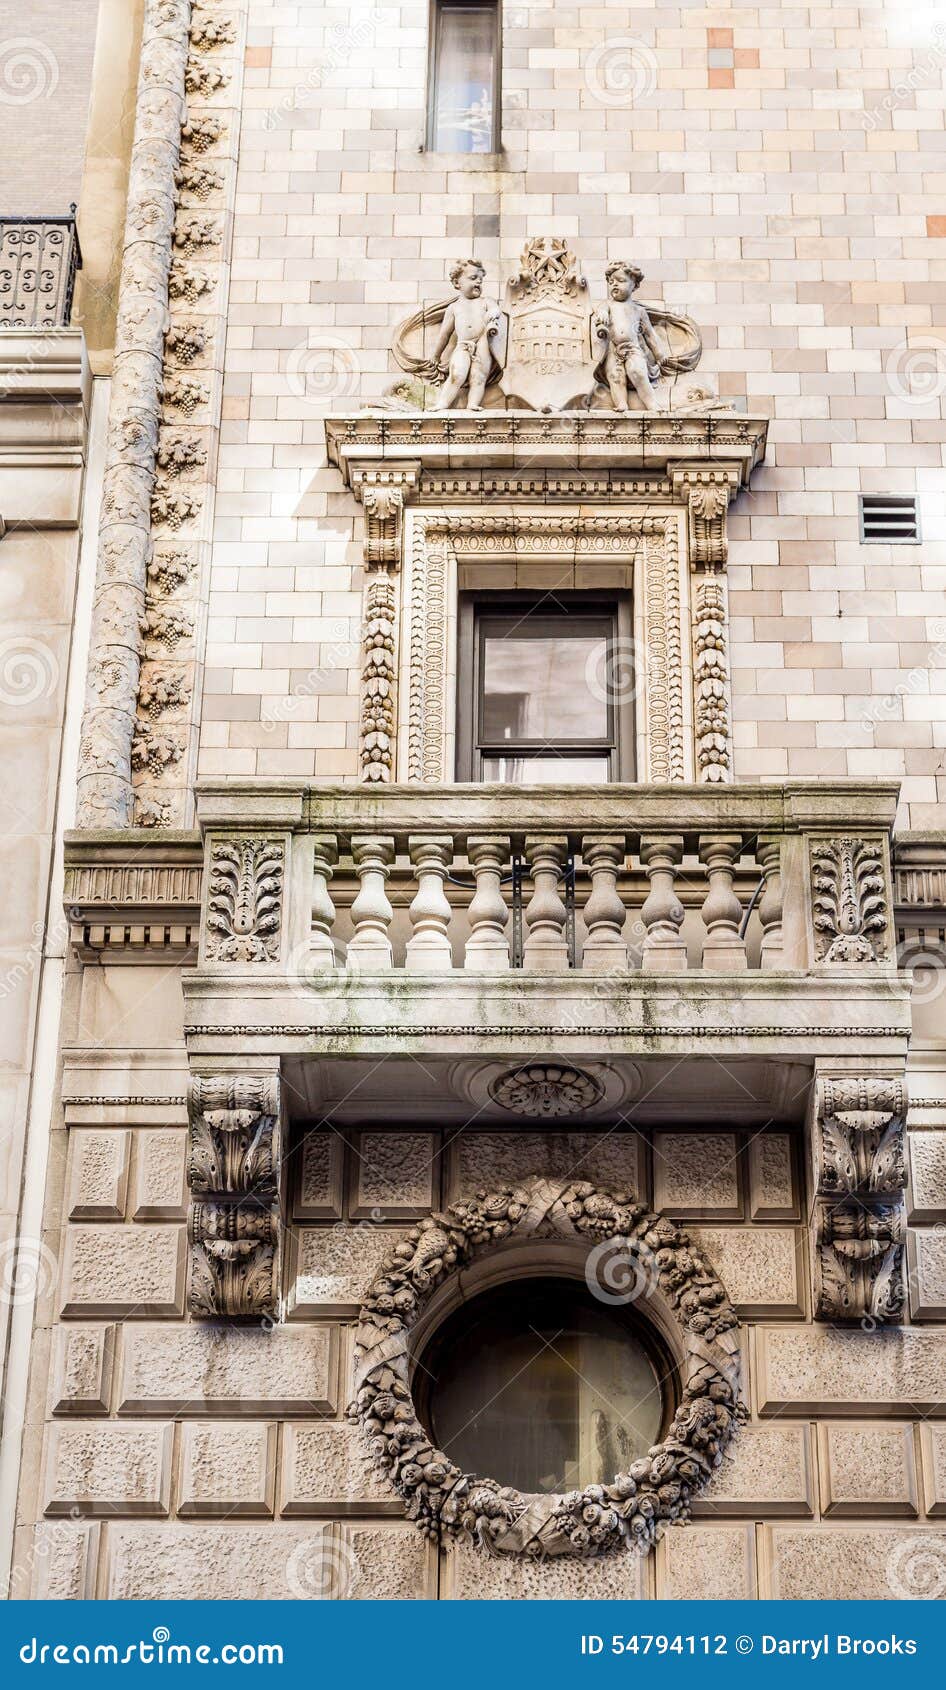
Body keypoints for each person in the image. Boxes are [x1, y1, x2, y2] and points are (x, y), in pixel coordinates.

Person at [429, 258, 501, 411]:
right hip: (462, 345)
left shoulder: (486, 301)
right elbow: (444, 335)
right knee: (457, 374)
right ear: (457, 283)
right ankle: (442, 403)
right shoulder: (454, 308)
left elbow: (495, 309)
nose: (478, 283)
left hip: (482, 343)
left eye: (481, 280)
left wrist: (493, 314)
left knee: (479, 377)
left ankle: (473, 403)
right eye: (473, 278)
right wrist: (436, 355)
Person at [598, 261, 667, 411]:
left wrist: (659, 353)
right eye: (611, 282)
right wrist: (602, 315)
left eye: (621, 281)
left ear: (634, 285)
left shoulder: (639, 311)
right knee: (615, 376)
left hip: (633, 348)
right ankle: (621, 403)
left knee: (638, 372)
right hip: (613, 348)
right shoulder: (608, 306)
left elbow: (649, 335)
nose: (614, 284)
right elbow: (601, 312)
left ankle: (651, 403)